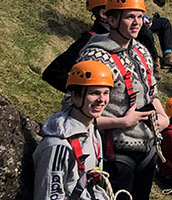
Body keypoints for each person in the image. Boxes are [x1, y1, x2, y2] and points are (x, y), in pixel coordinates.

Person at [77, 0, 170, 200]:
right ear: (111, 19)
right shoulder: (95, 57)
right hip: (114, 152)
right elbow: (75, 113)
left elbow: (151, 92)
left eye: (140, 16)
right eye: (129, 17)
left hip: (147, 147)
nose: (137, 23)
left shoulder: (141, 52)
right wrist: (121, 122)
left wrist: (163, 117)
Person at [33, 61, 113, 200]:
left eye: (106, 93)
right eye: (94, 93)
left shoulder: (92, 132)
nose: (102, 100)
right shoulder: (58, 146)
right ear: (75, 96)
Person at [42, 0, 119, 92]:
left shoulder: (124, 38)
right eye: (120, 11)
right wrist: (84, 93)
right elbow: (53, 73)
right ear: (103, 14)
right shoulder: (88, 41)